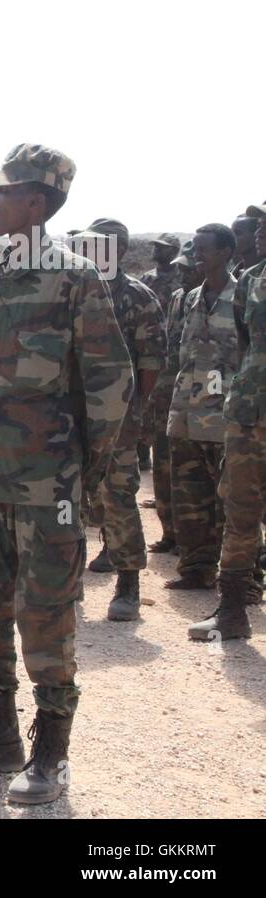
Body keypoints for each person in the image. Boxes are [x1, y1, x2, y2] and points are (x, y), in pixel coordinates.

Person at [0, 144, 131, 805]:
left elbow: (110, 381)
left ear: (36, 204)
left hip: (49, 478)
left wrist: (81, 469)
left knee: (45, 610)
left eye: (2, 192)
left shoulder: (75, 278)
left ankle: (52, 752)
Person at [73, 220, 165, 623]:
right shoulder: (72, 288)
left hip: (118, 420)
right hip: (71, 415)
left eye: (97, 247)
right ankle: (65, 579)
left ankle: (128, 581)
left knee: (118, 498)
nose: (88, 252)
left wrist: (134, 414)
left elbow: (150, 365)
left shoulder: (138, 297)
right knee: (67, 498)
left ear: (119, 251)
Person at [192, 204, 266, 641]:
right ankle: (233, 609)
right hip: (247, 415)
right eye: (258, 227)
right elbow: (243, 344)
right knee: (239, 508)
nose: (258, 234)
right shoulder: (252, 280)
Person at [165, 223, 242, 591]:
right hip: (186, 414)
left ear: (226, 252)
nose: (197, 255)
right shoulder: (187, 298)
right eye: (195, 248)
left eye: (204, 249)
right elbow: (175, 354)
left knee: (231, 501)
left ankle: (242, 580)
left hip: (226, 416)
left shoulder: (245, 297)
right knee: (189, 497)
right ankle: (196, 569)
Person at [140, 232, 184, 552]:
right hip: (158, 371)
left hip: (178, 376)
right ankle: (169, 527)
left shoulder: (184, 284)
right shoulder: (146, 280)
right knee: (159, 448)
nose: (157, 251)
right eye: (155, 246)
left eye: (163, 248)